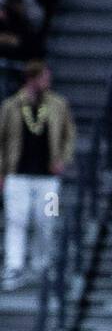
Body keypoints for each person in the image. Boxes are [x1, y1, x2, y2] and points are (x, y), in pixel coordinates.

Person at [0, 60, 75, 289]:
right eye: (43, 77)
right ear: (31, 79)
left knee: (48, 220)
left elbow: (69, 135)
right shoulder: (11, 106)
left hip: (49, 178)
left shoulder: (58, 104)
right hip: (17, 175)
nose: (47, 82)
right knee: (16, 220)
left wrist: (63, 159)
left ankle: (42, 264)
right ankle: (14, 265)